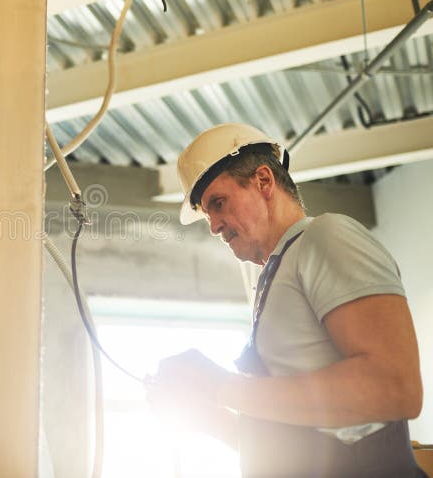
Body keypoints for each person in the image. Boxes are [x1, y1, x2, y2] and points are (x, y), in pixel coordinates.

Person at [147, 123, 425, 477]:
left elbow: (394, 387)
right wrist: (207, 416)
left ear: (264, 181)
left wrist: (221, 385)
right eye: (207, 215)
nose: (214, 226)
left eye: (218, 203)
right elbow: (300, 443)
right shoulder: (275, 278)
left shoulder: (326, 236)